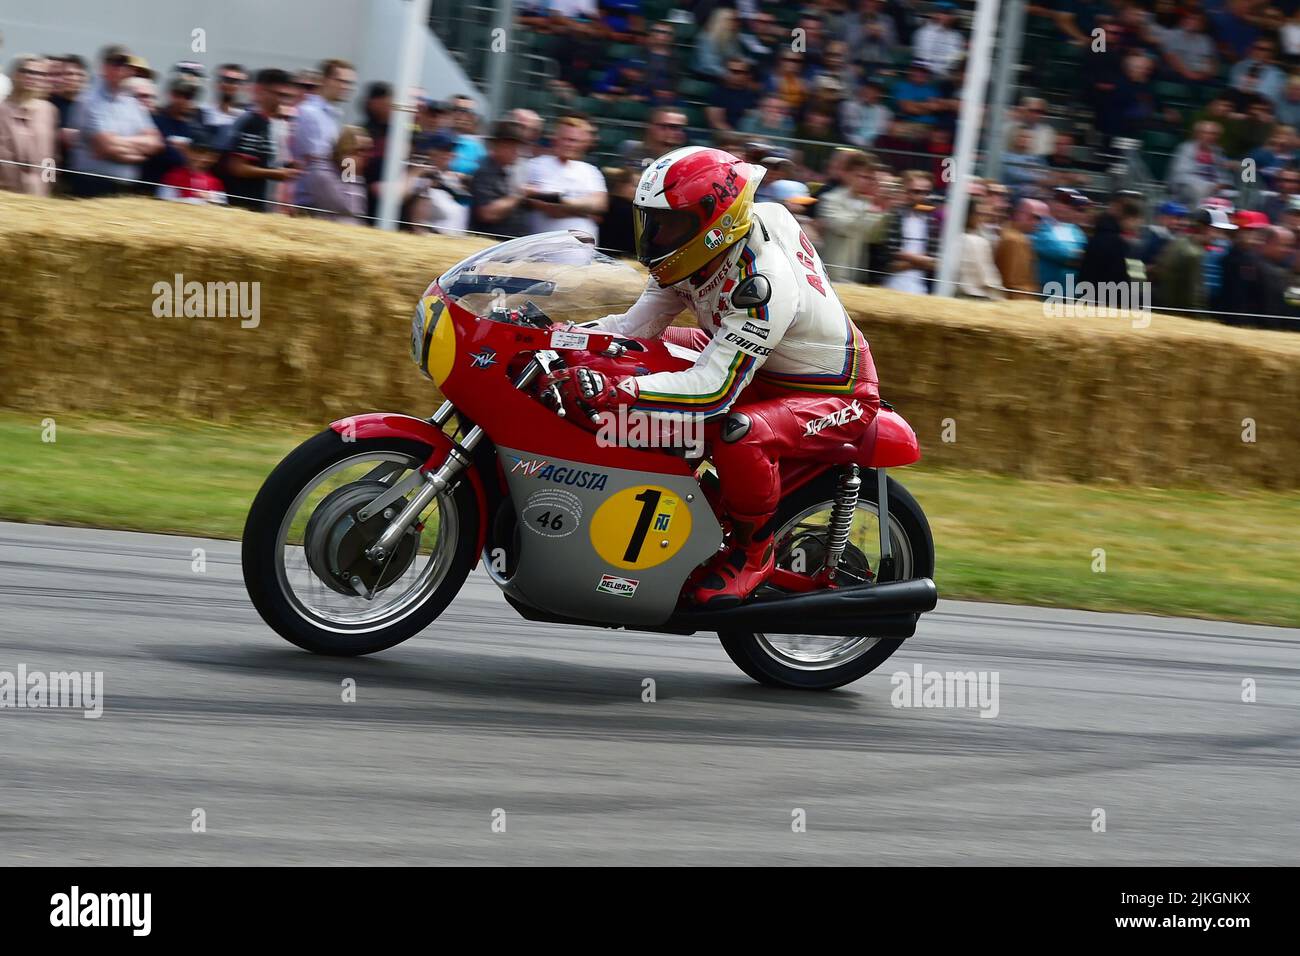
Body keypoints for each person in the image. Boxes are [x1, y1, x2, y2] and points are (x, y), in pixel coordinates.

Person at [550, 146, 881, 606]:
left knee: (738, 433)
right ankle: (686, 500)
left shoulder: (763, 283)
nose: (656, 235)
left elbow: (714, 391)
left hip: (833, 390)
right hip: (761, 360)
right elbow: (632, 330)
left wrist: (615, 392)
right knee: (649, 355)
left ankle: (754, 553)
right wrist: (558, 339)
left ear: (714, 222)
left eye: (669, 224)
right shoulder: (696, 254)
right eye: (651, 221)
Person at [68, 45, 162, 197]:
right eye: (117, 63)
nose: (123, 69)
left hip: (125, 186)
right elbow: (106, 146)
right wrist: (138, 154)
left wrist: (119, 143)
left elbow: (155, 142)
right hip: (92, 184)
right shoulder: (88, 101)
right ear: (103, 67)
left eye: (127, 65)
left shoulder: (133, 103)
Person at [222, 68, 298, 211]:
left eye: (286, 96)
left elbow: (267, 160)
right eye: (278, 94)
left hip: (262, 206)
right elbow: (237, 167)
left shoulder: (272, 123)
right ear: (260, 90)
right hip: (243, 207)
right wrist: (276, 174)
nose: (282, 100)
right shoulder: (252, 122)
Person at [523, 116, 606, 237]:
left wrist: (562, 201)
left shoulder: (591, 171)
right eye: (565, 139)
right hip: (543, 249)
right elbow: (550, 209)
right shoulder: (536, 165)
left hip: (582, 252)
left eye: (574, 140)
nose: (569, 144)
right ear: (555, 139)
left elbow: (600, 206)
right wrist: (585, 210)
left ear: (583, 144)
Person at [291, 58, 355, 208]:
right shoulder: (309, 112)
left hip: (325, 194)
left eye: (349, 83)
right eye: (341, 81)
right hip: (311, 198)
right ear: (324, 80)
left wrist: (349, 182)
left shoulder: (333, 115)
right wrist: (349, 181)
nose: (346, 87)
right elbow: (320, 161)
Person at [816, 151, 883, 282]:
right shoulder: (830, 199)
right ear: (847, 175)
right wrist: (870, 212)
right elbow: (841, 227)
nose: (867, 181)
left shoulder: (870, 203)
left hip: (859, 277)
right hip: (833, 276)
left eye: (870, 178)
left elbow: (874, 236)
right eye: (862, 176)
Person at [0, 55, 58, 196]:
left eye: (41, 74)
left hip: (38, 194)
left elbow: (51, 155)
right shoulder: (2, 109)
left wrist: (48, 187)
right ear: (14, 74)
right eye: (28, 71)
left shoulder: (48, 110)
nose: (34, 77)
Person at [468, 119, 528, 239]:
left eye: (518, 146)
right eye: (511, 146)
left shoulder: (516, 171)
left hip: (512, 243)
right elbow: (487, 213)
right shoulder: (484, 173)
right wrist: (520, 195)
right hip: (490, 244)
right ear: (497, 146)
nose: (516, 151)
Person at [883, 170, 939, 295]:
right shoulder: (894, 216)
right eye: (916, 191)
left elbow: (934, 261)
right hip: (892, 286)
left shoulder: (930, 219)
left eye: (926, 192)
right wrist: (921, 260)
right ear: (905, 191)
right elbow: (888, 257)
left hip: (920, 288)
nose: (922, 197)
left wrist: (908, 260)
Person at [1151, 208, 1207, 317]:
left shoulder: (1177, 243)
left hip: (1164, 311)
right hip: (1177, 314)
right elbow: (1193, 295)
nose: (1218, 236)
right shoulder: (1193, 253)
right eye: (1216, 230)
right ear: (1205, 229)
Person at [156, 131, 227, 205]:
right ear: (188, 151)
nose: (204, 158)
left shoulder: (215, 182)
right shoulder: (172, 176)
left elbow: (223, 206)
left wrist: (211, 198)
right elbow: (163, 202)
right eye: (199, 152)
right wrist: (196, 200)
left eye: (210, 155)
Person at [994, 198, 1046, 298]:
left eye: (1040, 219)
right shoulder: (1016, 241)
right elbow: (1016, 285)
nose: (1038, 223)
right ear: (1019, 214)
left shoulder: (1011, 234)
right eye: (1035, 217)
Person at [956, 202, 1006, 300]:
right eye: (980, 214)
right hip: (975, 296)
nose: (983, 218)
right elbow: (986, 277)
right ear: (969, 215)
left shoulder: (956, 236)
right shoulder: (976, 241)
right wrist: (999, 297)